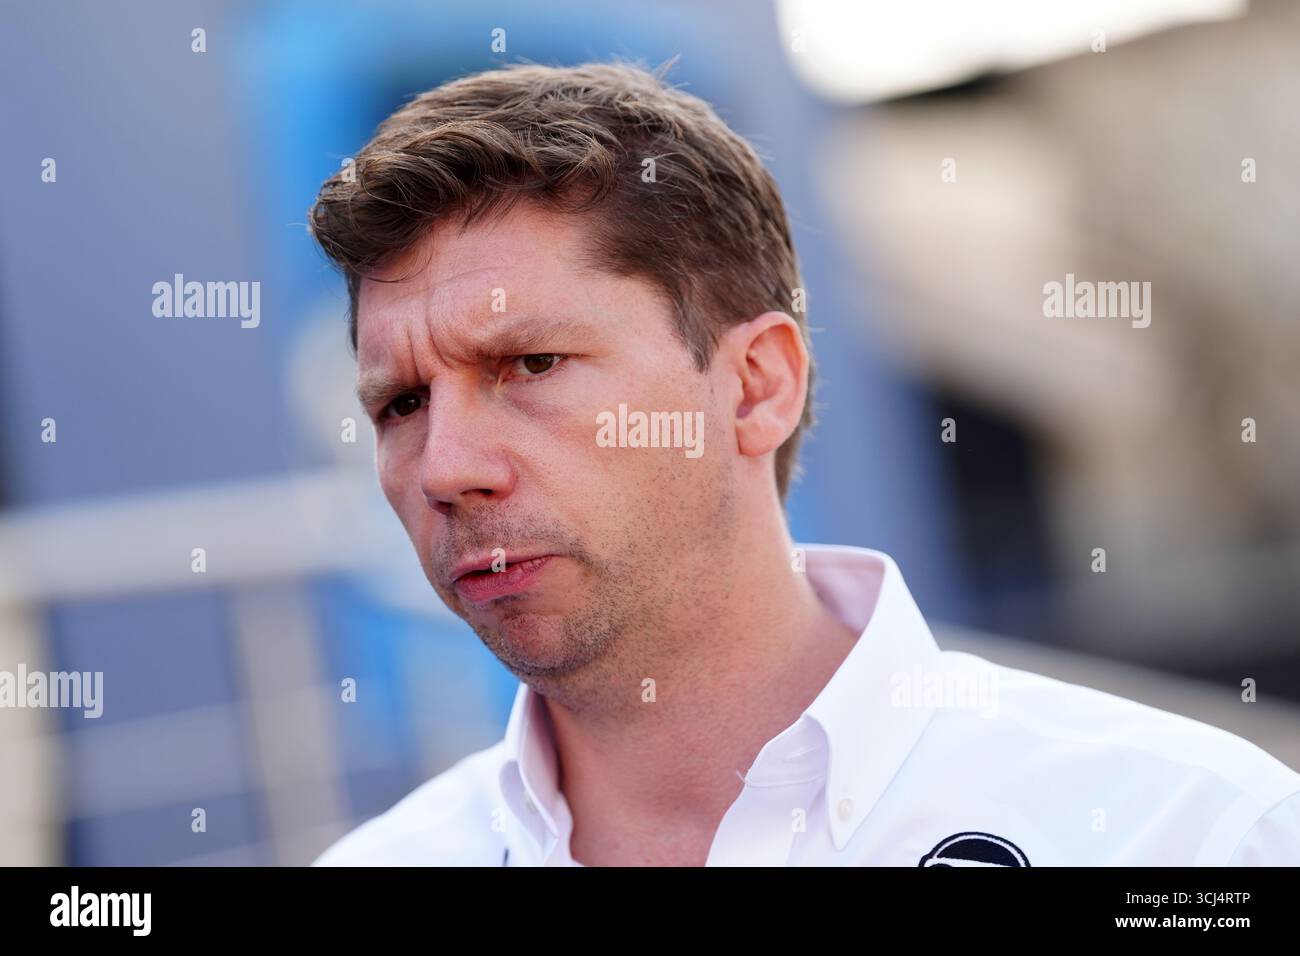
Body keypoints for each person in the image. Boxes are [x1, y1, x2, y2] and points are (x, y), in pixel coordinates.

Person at [306, 61, 1300, 866]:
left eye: (529, 363)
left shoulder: (1185, 830)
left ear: (754, 386)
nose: (445, 465)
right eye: (400, 404)